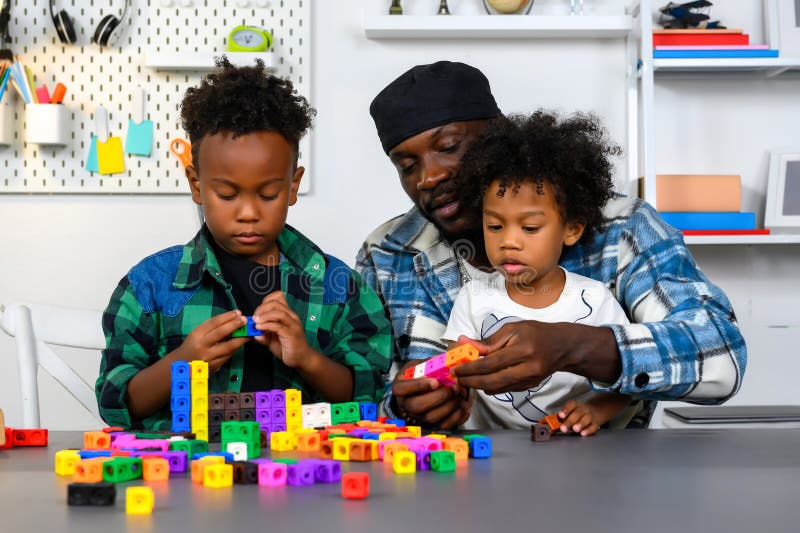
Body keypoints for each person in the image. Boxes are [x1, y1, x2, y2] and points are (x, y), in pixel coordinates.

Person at [357, 60, 746, 429]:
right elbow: (361, 397)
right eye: (407, 166)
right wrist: (404, 406)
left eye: (448, 146)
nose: (429, 177)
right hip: (457, 484)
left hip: (609, 476)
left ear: (497, 135)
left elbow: (722, 354)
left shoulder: (621, 227)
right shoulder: (388, 254)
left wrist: (576, 346)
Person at [96, 57, 392, 430]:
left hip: (304, 475)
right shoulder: (150, 285)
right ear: (197, 185)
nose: (249, 212)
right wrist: (182, 363)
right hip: (186, 477)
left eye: (268, 194)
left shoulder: (339, 288)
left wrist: (306, 357)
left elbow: (368, 397)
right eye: (227, 194)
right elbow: (115, 402)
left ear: (293, 186)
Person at [442, 111, 639, 435]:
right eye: (494, 226)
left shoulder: (594, 300)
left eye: (530, 227)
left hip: (573, 457)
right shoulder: (474, 296)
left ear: (572, 229)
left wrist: (596, 410)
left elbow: (628, 376)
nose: (508, 241)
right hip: (491, 457)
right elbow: (454, 374)